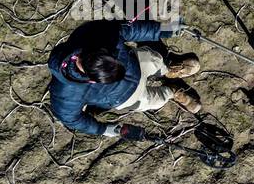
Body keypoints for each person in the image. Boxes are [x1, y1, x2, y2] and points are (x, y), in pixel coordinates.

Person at [47, 17, 201, 138]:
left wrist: (166, 29)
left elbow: (129, 29)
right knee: (156, 100)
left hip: (136, 64)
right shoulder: (65, 93)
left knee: (155, 60)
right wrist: (103, 129)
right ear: (93, 80)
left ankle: (168, 70)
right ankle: (172, 91)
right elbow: (70, 119)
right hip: (125, 98)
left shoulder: (97, 34)